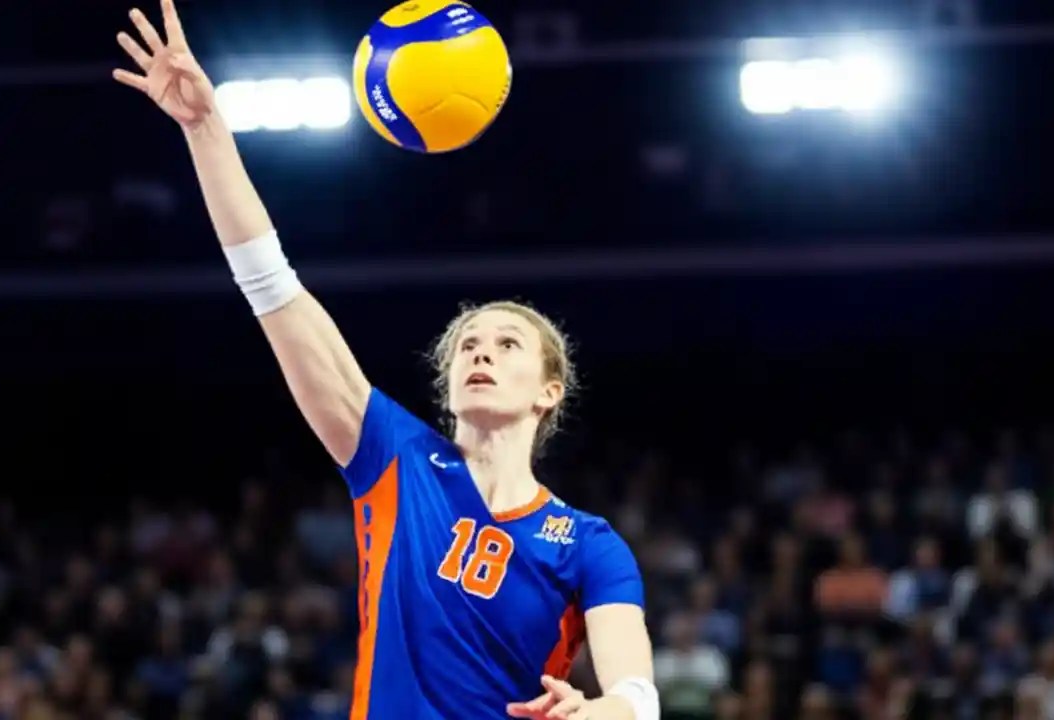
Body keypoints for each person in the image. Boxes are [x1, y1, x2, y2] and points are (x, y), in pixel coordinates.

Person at [111, 2, 658, 719]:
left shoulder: (588, 543)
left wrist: (595, 713)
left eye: (505, 344)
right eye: (467, 344)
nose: (480, 352)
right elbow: (273, 288)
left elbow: (639, 698)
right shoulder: (395, 458)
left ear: (548, 392)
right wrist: (205, 128)